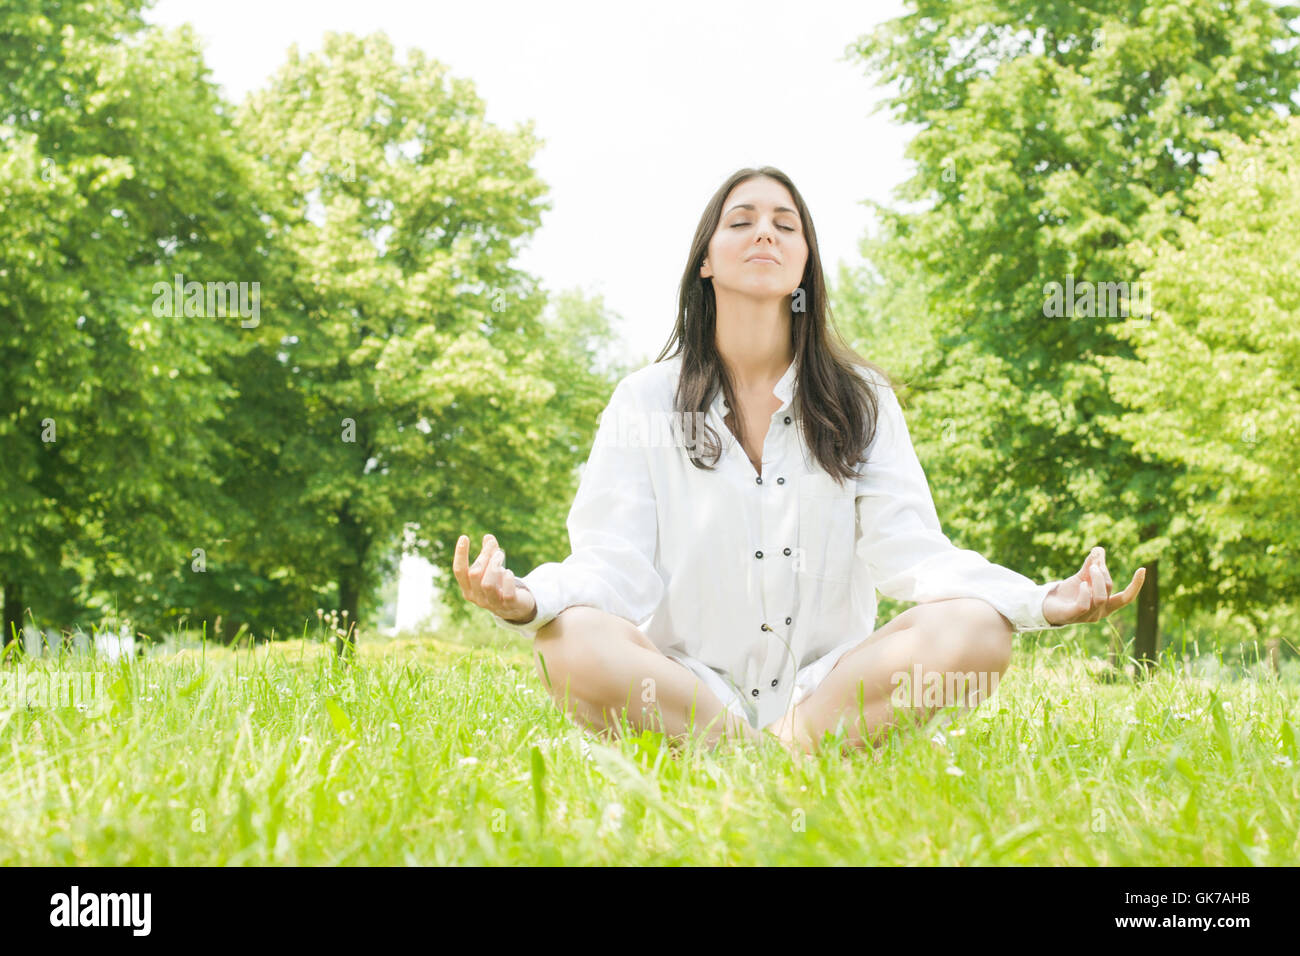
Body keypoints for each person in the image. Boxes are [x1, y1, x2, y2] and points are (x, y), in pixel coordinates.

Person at [452, 167, 1145, 756]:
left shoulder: (860, 398)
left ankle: (775, 757)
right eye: (742, 220)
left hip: (831, 691)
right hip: (685, 689)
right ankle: (756, 760)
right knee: (566, 640)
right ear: (706, 259)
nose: (765, 232)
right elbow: (613, 565)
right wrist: (526, 598)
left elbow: (912, 553)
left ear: (805, 262)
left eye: (786, 225)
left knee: (979, 633)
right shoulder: (644, 399)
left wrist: (1038, 600)